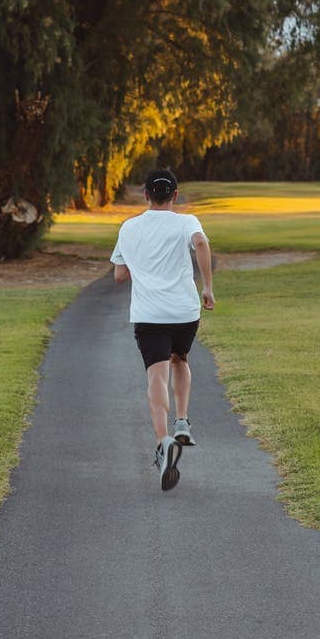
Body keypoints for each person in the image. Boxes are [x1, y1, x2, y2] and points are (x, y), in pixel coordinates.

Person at [110, 167, 215, 491]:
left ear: (145, 195)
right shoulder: (187, 222)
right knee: (180, 358)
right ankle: (182, 420)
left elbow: (119, 275)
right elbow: (200, 242)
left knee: (157, 375)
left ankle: (163, 442)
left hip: (149, 314)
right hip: (184, 312)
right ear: (175, 195)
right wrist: (208, 287)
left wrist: (141, 265)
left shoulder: (129, 227)